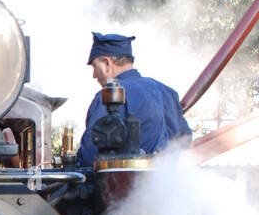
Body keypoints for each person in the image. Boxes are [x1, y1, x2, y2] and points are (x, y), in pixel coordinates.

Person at [76, 31, 192, 168]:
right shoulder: (168, 92)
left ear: (107, 64)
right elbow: (185, 142)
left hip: (123, 187)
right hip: (166, 185)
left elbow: (89, 157)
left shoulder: (109, 95)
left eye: (95, 67)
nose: (94, 75)